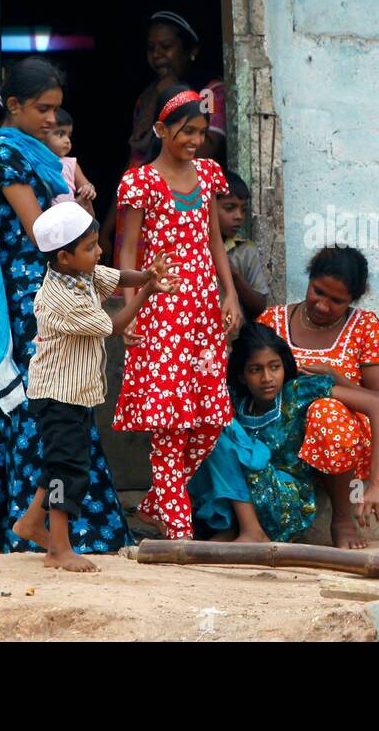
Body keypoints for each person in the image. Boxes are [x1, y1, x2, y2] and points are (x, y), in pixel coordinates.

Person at [0, 56, 132, 554]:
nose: (53, 119)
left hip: (49, 285)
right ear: (12, 106)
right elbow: (40, 231)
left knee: (63, 403)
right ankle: (49, 533)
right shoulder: (4, 156)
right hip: (28, 297)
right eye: (42, 108)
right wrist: (77, 209)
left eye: (57, 108)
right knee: (47, 406)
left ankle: (54, 527)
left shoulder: (37, 154)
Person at [113, 84, 243, 540]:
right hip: (160, 314)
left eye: (201, 132)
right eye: (185, 131)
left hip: (205, 312)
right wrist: (129, 312)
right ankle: (178, 531)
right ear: (161, 129)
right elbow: (126, 251)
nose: (194, 140)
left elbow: (214, 243)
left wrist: (230, 295)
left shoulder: (208, 175)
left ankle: (154, 504)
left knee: (208, 419)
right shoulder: (140, 182)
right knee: (170, 424)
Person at [12, 202, 173, 572]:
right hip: (57, 395)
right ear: (65, 256)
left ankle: (32, 523)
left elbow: (116, 277)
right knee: (69, 470)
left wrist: (146, 273)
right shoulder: (62, 296)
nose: (99, 251)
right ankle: (58, 548)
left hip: (75, 392)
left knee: (61, 461)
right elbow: (115, 327)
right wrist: (148, 291)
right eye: (91, 247)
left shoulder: (80, 274)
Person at [189, 323, 379, 542]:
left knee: (227, 431)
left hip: (286, 506)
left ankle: (251, 532)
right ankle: (232, 528)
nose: (267, 378)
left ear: (284, 367)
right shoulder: (237, 401)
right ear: (241, 376)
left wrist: (377, 483)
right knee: (213, 424)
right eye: (256, 370)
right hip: (243, 499)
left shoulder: (297, 393)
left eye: (274, 367)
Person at [257, 246, 379, 549]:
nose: (323, 306)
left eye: (337, 301)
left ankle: (343, 520)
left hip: (347, 435)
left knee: (327, 412)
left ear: (353, 299)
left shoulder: (366, 329)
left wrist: (337, 378)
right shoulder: (272, 321)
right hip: (284, 431)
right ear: (308, 279)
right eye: (318, 292)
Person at [102, 11, 227, 264]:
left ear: (190, 50)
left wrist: (174, 99)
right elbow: (133, 162)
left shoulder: (209, 93)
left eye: (166, 46)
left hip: (178, 206)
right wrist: (106, 229)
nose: (157, 54)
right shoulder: (147, 99)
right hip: (138, 208)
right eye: (151, 48)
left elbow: (204, 151)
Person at [217, 170, 270, 321]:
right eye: (229, 208)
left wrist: (234, 275)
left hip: (234, 339)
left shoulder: (245, 250)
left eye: (243, 210)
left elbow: (259, 307)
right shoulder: (191, 248)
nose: (239, 216)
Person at [44, 107, 96, 212]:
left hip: (70, 216)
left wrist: (87, 189)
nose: (67, 140)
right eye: (60, 134)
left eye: (69, 135)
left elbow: (85, 184)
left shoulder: (71, 163)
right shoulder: (35, 161)